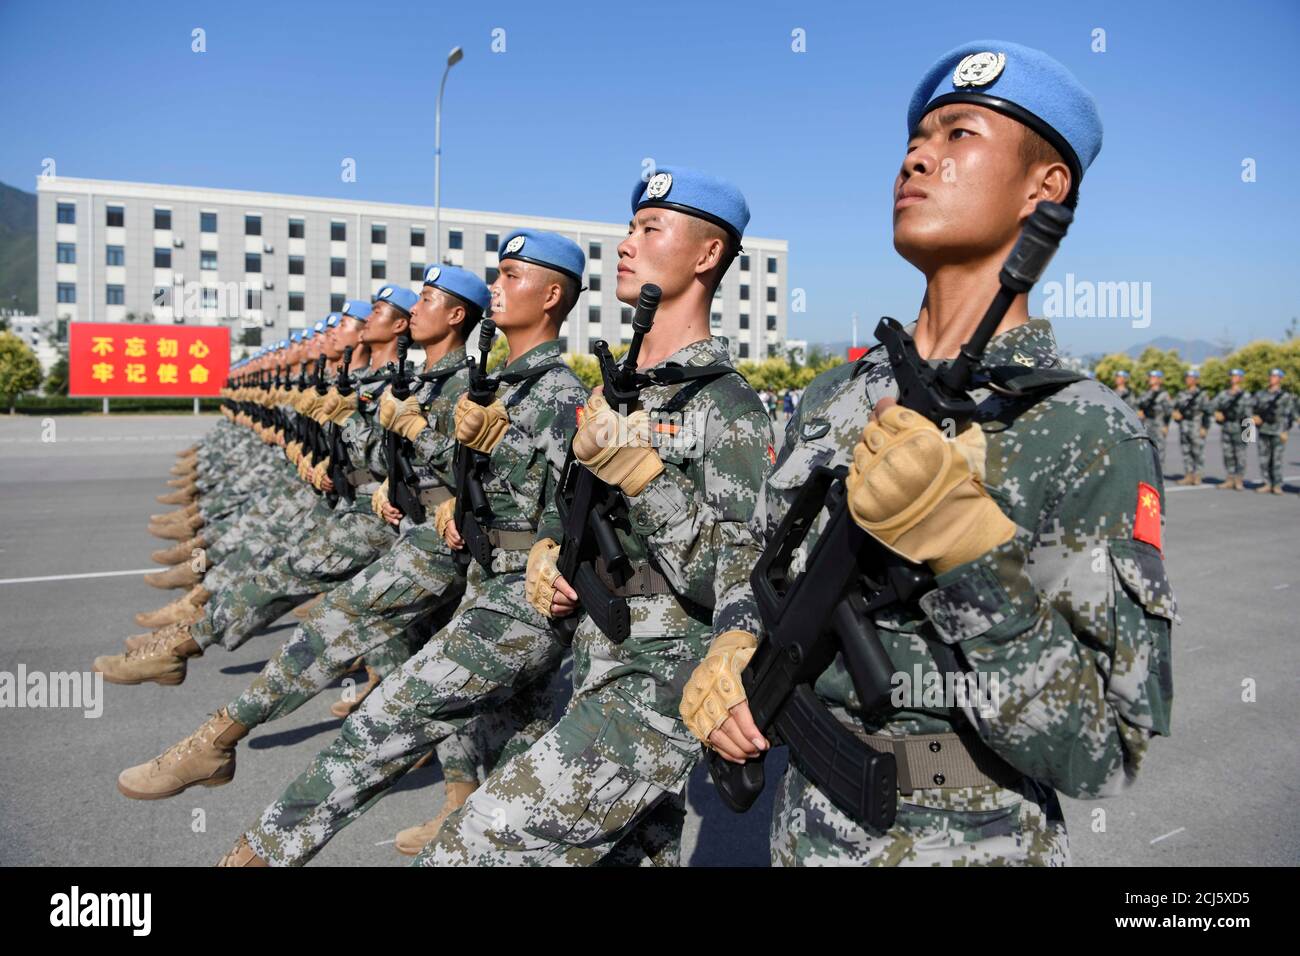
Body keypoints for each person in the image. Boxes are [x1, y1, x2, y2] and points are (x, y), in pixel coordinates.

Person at [681, 41, 1175, 866]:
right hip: (801, 822)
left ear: (1044, 191)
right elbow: (755, 557)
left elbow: (1105, 750)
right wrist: (734, 640)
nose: (917, 156)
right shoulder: (830, 398)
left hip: (970, 836)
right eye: (917, 139)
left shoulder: (1088, 431)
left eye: (960, 136)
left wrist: (964, 551)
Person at [416, 166, 773, 867]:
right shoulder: (628, 393)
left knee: (466, 849)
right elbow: (569, 505)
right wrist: (551, 546)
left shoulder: (729, 410)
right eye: (631, 226)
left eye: (650, 228)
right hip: (596, 656)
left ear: (706, 256)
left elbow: (736, 580)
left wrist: (644, 479)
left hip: (660, 678)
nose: (626, 242)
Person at [217, 229, 589, 866]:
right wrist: (432, 485)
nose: (497, 286)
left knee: (394, 714)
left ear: (552, 296)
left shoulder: (559, 394)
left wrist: (540, 536)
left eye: (510, 276)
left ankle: (254, 832)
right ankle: (464, 807)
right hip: (477, 573)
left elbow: (564, 499)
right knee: (515, 736)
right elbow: (472, 479)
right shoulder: (499, 385)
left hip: (518, 595)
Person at [1252, 367, 1294, 494]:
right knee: (1264, 458)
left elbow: (1289, 415)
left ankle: (1277, 484)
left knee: (1276, 459)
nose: (1272, 378)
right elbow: (1250, 409)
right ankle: (1267, 483)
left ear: (1280, 379)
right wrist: (1253, 418)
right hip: (1263, 430)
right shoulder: (1260, 394)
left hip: (1278, 431)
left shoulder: (1286, 396)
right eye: (1271, 376)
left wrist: (1285, 431)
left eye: (1275, 376)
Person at [1214, 368, 1254, 490]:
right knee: (1228, 455)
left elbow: (1250, 415)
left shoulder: (1246, 395)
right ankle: (1230, 478)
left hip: (1241, 427)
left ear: (1241, 379)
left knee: (1241, 455)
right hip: (1227, 427)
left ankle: (1239, 479)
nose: (1233, 378)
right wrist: (1216, 413)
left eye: (1236, 376)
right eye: (1232, 375)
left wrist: (1249, 435)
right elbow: (1212, 406)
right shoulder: (1223, 394)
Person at [1171, 369, 1213, 485]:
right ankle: (1188, 475)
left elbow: (1208, 411)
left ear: (1196, 380)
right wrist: (1175, 413)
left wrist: (1205, 427)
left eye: (1191, 378)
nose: (1188, 380)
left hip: (1196, 424)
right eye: (1187, 377)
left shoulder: (1202, 394)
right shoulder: (1181, 394)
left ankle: (1198, 475)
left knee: (1197, 452)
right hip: (1184, 425)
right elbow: (1174, 407)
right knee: (1186, 451)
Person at [1134, 369, 1173, 473]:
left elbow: (1168, 411)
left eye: (1154, 377)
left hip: (1158, 423)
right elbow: (1137, 404)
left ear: (1160, 380)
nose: (1151, 379)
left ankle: (1159, 475)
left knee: (1159, 449)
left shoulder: (1164, 394)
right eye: (1151, 377)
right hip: (1146, 423)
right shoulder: (1146, 393)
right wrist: (1139, 411)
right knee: (1147, 448)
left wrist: (1166, 425)